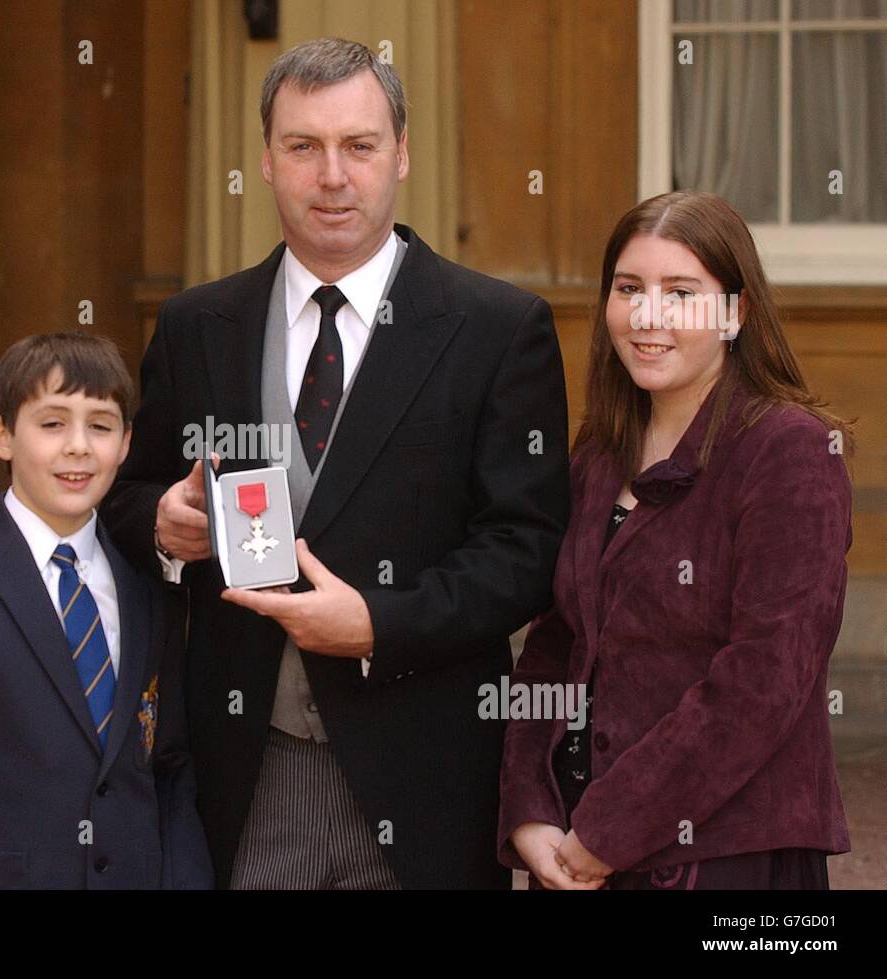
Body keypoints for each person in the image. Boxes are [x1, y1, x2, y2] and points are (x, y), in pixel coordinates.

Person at [101, 37, 570, 889]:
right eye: (303, 147)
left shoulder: (499, 330)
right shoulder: (197, 326)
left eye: (358, 146)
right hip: (243, 776)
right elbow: (125, 497)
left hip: (424, 777)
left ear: (402, 154)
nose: (332, 175)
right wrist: (164, 526)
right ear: (267, 163)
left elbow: (528, 551)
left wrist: (381, 624)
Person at [498, 190, 854, 890]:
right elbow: (556, 640)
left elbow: (763, 680)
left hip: (728, 858)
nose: (648, 314)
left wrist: (609, 831)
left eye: (681, 292)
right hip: (573, 854)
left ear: (735, 312)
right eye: (629, 288)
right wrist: (530, 810)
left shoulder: (790, 452)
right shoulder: (600, 451)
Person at [0, 333, 212, 889]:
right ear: (2, 435)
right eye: (52, 424)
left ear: (126, 443)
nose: (78, 447)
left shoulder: (149, 585)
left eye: (100, 426)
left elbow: (169, 771)